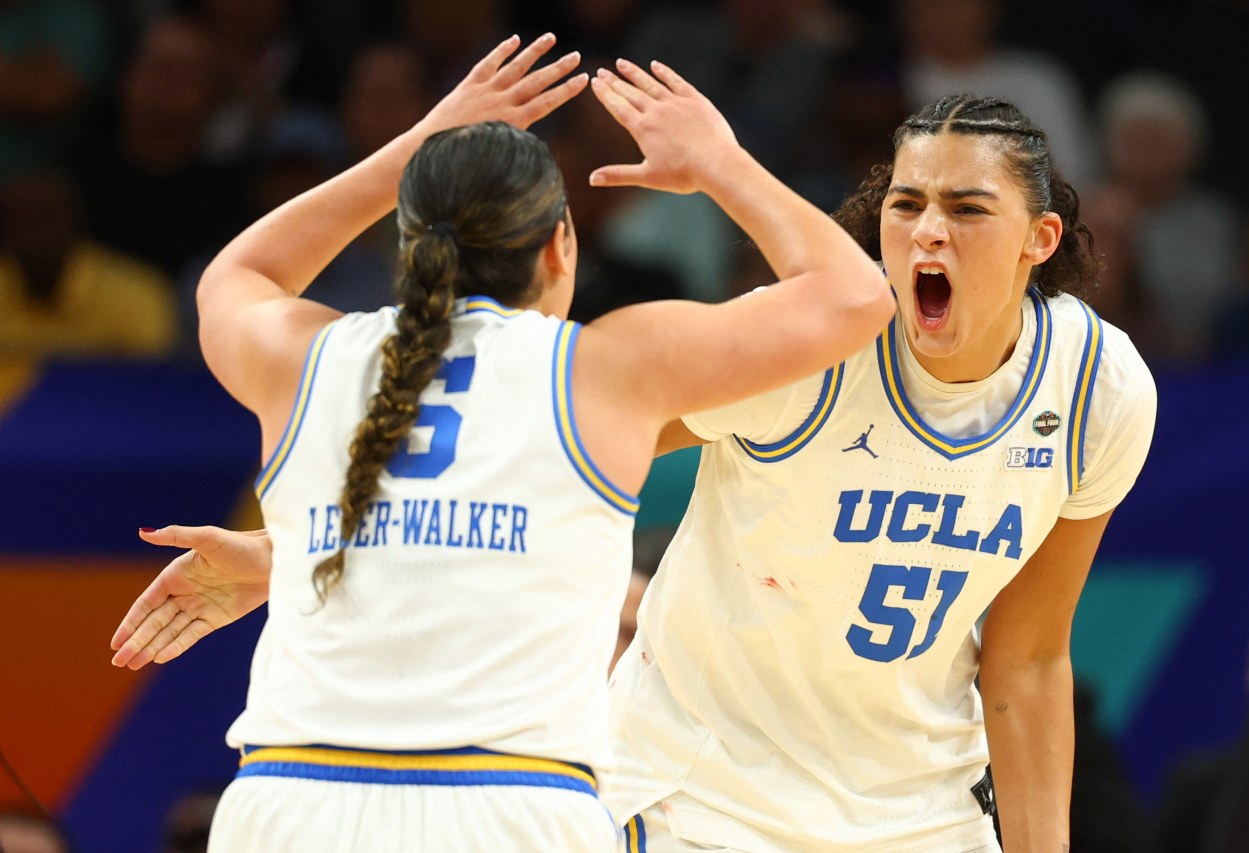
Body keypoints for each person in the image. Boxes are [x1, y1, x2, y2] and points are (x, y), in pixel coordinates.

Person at [112, 89, 1154, 850]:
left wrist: (417, 152)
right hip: (589, 802)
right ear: (564, 249)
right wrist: (719, 161)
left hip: (294, 800)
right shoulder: (609, 369)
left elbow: (241, 277)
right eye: (904, 206)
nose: (925, 232)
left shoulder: (312, 359)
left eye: (964, 209)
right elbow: (850, 299)